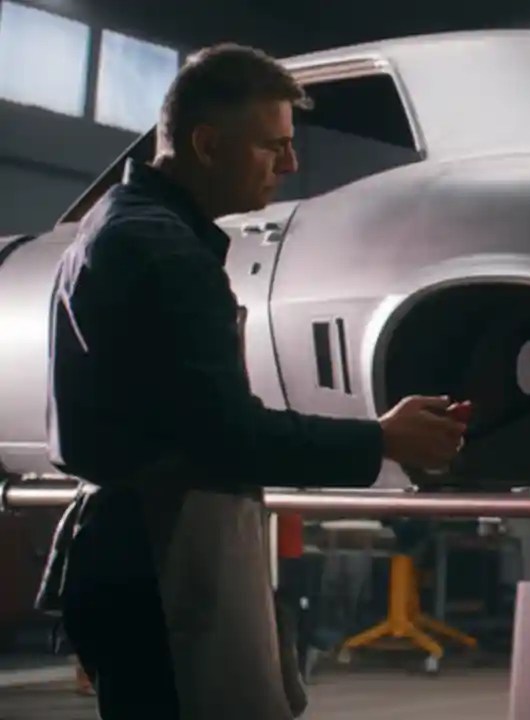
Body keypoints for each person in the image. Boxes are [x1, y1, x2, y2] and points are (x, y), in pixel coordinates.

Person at [34, 43, 470, 720]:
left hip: (132, 553)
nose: (290, 165)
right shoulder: (165, 250)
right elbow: (225, 434)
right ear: (208, 144)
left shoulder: (113, 227)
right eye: (273, 147)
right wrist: (381, 439)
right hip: (164, 563)